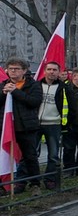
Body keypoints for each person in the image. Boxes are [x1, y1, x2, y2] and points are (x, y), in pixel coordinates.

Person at [3, 57, 44, 193]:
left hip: (26, 127)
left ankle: (35, 184)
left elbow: (34, 102)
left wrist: (15, 92)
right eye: (10, 69)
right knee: (6, 155)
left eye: (17, 69)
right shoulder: (3, 84)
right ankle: (8, 184)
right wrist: (3, 93)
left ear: (24, 71)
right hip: (7, 128)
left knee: (30, 156)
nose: (13, 71)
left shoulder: (33, 85)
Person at [36, 62, 65, 189]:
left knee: (53, 154)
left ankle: (50, 179)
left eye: (54, 70)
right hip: (35, 124)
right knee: (31, 154)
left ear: (58, 72)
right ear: (44, 71)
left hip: (54, 124)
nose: (51, 72)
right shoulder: (36, 86)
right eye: (49, 69)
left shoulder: (63, 87)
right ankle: (32, 180)